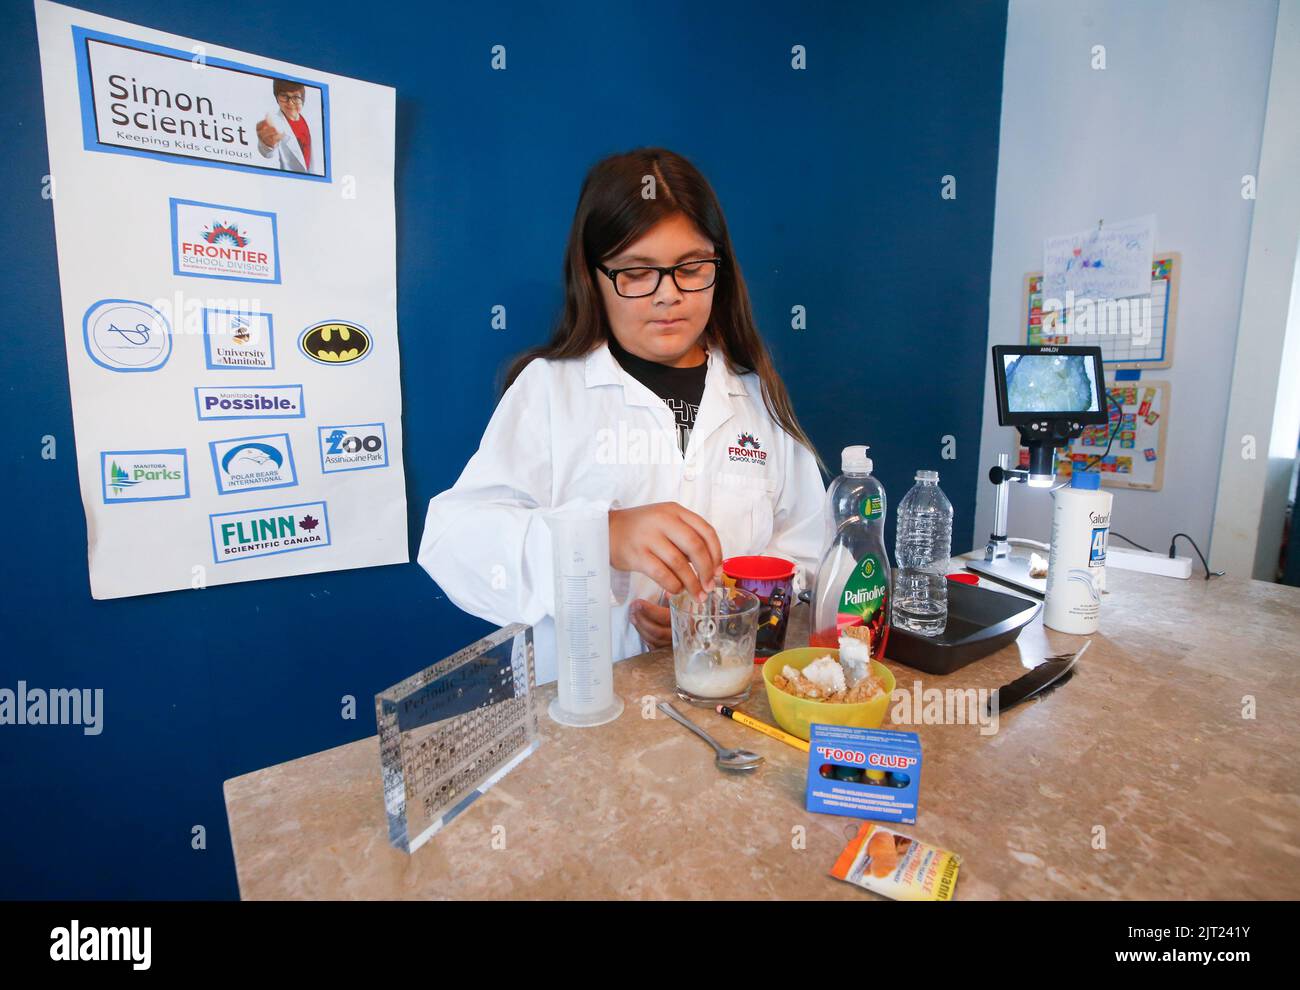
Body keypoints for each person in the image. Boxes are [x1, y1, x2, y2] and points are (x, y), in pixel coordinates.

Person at [418, 148, 828, 685]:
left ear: (718, 269)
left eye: (691, 268)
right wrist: (600, 536)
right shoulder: (549, 391)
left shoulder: (757, 399)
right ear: (593, 277)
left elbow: (809, 553)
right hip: (584, 731)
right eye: (637, 273)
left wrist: (728, 611)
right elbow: (453, 545)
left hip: (727, 708)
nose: (669, 295)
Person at [255, 78, 318, 175]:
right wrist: (266, 145)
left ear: (303, 99)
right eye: (284, 96)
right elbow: (267, 153)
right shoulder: (274, 123)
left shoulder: (311, 122)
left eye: (296, 97)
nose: (290, 103)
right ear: (276, 98)